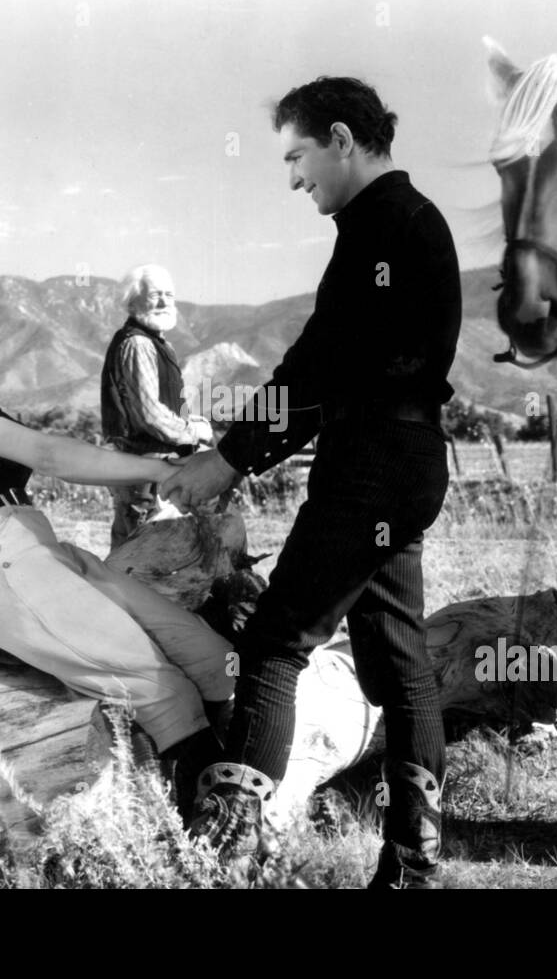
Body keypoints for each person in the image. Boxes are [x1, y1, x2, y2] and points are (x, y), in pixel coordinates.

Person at [161, 77, 462, 888]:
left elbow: (319, 365)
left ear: (340, 138)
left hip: (371, 467)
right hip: (404, 463)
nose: (294, 179)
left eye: (298, 157)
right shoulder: (405, 220)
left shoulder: (383, 227)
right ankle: (412, 864)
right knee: (396, 653)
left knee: (272, 643)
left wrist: (227, 458)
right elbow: (334, 364)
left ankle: (225, 859)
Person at [0, 243, 232, 804]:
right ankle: (215, 848)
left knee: (214, 660)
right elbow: (50, 455)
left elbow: (48, 453)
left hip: (31, 548)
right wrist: (167, 470)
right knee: (165, 692)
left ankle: (240, 798)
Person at [100, 264, 213, 549]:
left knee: (136, 559)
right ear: (133, 300)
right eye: (155, 295)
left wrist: (193, 422)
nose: (164, 302)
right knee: (145, 559)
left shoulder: (155, 343)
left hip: (150, 468)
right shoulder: (138, 344)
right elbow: (150, 416)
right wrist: (194, 432)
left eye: (169, 295)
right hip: (146, 469)